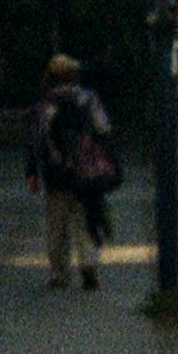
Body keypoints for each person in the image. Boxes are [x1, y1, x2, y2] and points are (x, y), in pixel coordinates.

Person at [27, 54, 116, 290]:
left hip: (55, 173)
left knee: (57, 226)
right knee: (85, 220)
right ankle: (88, 265)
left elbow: (36, 139)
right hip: (86, 172)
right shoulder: (88, 98)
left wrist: (32, 172)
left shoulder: (45, 103)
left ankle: (59, 273)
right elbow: (103, 129)